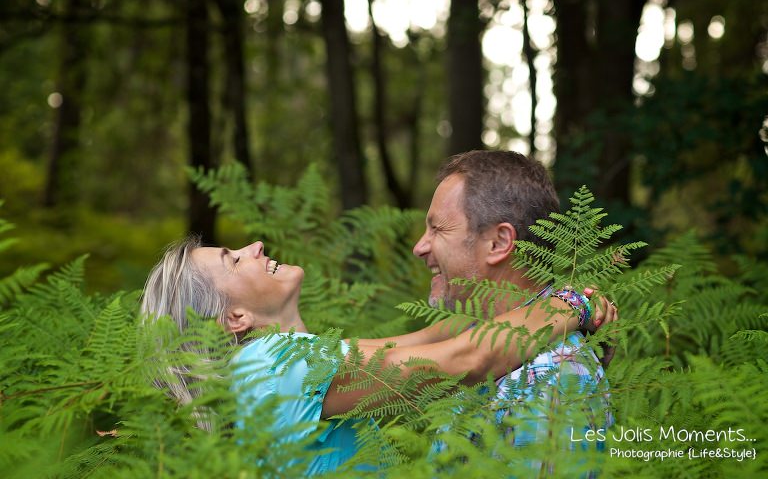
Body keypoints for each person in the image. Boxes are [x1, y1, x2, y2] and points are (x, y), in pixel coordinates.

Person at [140, 232, 614, 475]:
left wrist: (538, 302)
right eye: (235, 259)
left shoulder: (281, 363)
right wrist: (569, 306)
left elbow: (422, 342)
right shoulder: (270, 365)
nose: (255, 245)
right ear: (234, 318)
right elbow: (459, 361)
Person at [385, 150, 615, 469]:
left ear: (498, 243)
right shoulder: (480, 337)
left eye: (437, 229)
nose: (419, 247)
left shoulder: (551, 377)